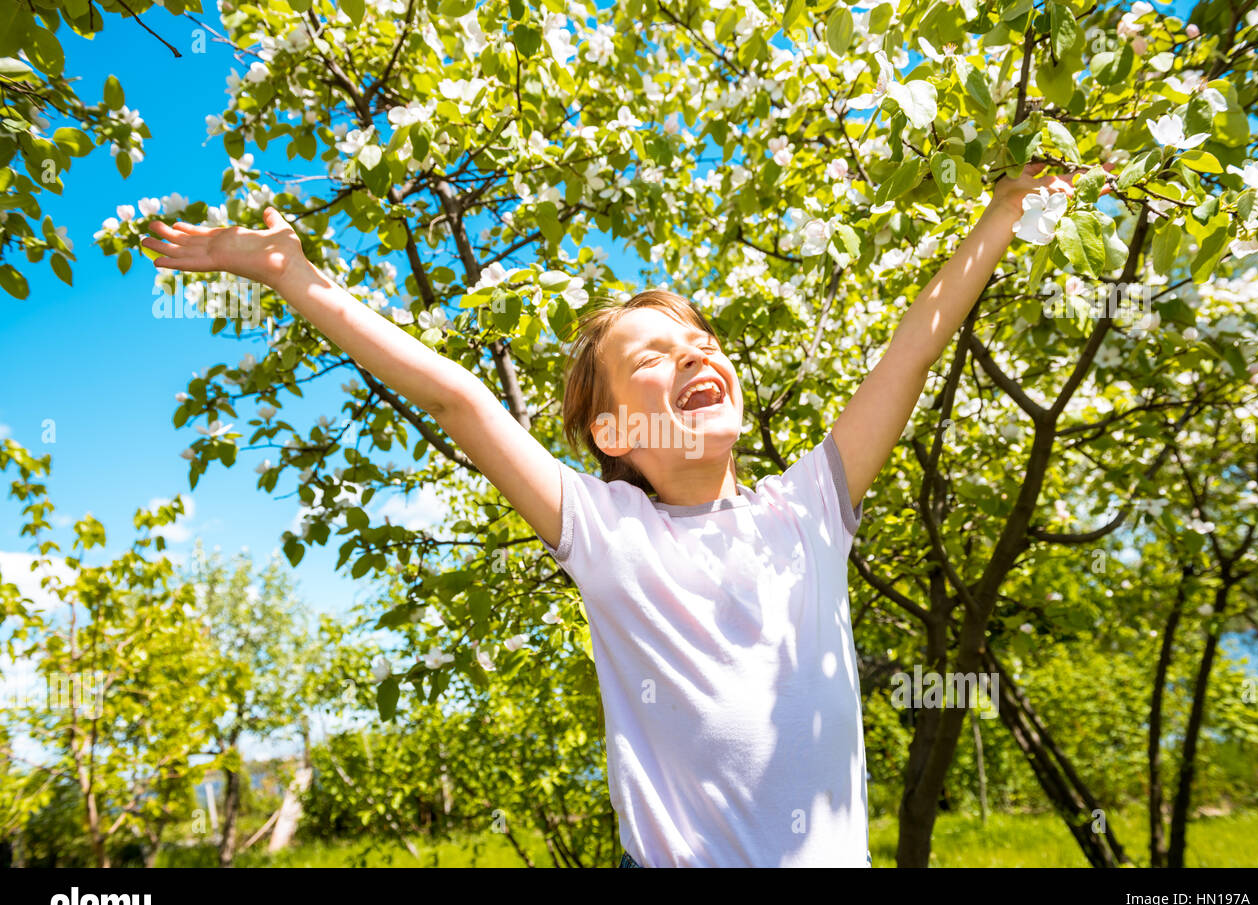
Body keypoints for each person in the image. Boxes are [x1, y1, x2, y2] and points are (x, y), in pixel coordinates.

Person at [142, 158, 1102, 866]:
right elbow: (459, 398)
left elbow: (910, 350)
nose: (693, 354)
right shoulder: (607, 534)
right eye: (653, 355)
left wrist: (1002, 215)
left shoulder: (809, 509)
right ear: (608, 432)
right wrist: (289, 275)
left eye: (701, 340)